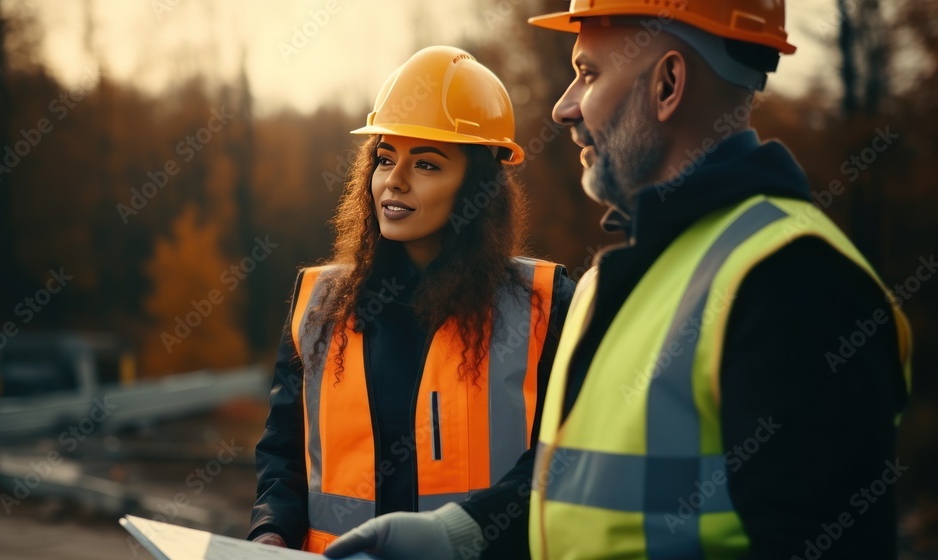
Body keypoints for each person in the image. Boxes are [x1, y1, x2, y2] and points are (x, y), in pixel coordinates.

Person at [328, 2, 913, 560]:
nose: (564, 107)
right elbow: (577, 481)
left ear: (667, 84)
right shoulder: (622, 277)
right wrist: (462, 535)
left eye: (588, 74)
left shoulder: (795, 284)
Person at [247, 45, 575, 556]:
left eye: (425, 163)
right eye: (384, 158)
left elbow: (563, 463)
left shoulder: (544, 306)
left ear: (478, 187)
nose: (393, 180)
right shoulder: (319, 305)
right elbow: (283, 457)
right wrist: (269, 535)